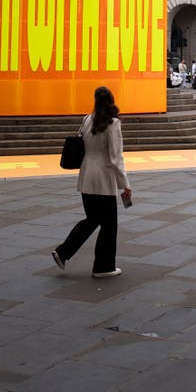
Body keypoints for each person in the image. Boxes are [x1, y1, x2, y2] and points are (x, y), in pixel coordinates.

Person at [51, 86, 132, 278]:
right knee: (109, 224)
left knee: (93, 219)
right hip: (103, 179)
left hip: (86, 176)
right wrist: (125, 184)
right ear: (111, 100)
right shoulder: (113, 123)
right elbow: (115, 158)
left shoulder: (87, 119)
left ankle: (63, 252)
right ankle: (103, 267)